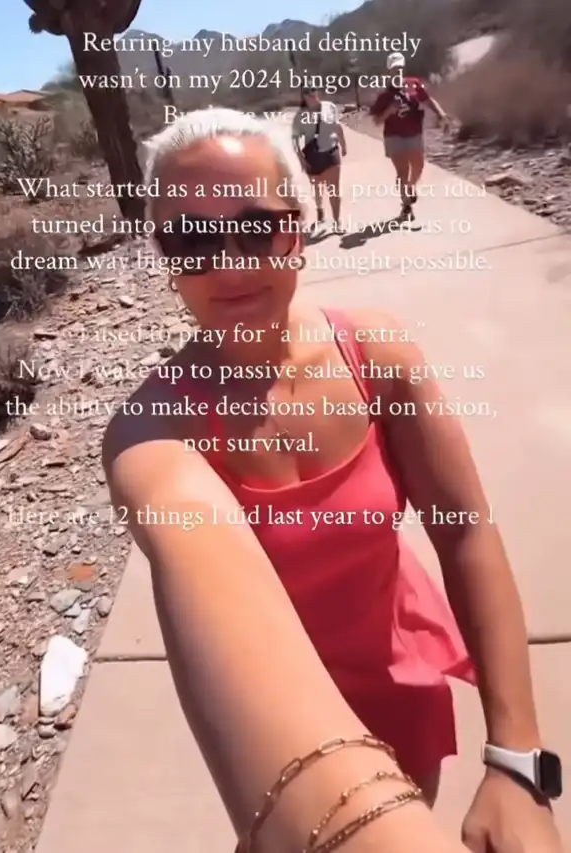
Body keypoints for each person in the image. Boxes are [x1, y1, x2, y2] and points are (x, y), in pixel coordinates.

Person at [103, 108, 564, 853]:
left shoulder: (374, 354)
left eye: (258, 228)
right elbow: (187, 535)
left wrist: (517, 761)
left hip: (401, 689)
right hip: (271, 740)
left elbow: (465, 531)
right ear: (164, 254)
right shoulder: (153, 431)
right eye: (192, 239)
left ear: (301, 223)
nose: (231, 264)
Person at [370, 52, 448, 221]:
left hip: (414, 133)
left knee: (418, 166)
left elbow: (428, 100)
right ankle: (406, 205)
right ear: (389, 71)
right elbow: (376, 121)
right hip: (394, 137)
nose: (397, 71)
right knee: (402, 172)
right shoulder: (384, 94)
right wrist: (389, 111)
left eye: (400, 68)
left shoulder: (414, 84)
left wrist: (441, 114)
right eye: (394, 68)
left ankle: (410, 188)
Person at [292, 87, 347, 235]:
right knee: (317, 188)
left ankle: (337, 222)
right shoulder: (300, 116)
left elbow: (337, 126)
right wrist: (301, 159)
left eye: (313, 89)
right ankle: (320, 208)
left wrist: (343, 145)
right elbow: (295, 140)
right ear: (303, 96)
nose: (311, 93)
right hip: (313, 156)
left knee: (334, 190)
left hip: (331, 152)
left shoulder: (330, 107)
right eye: (307, 91)